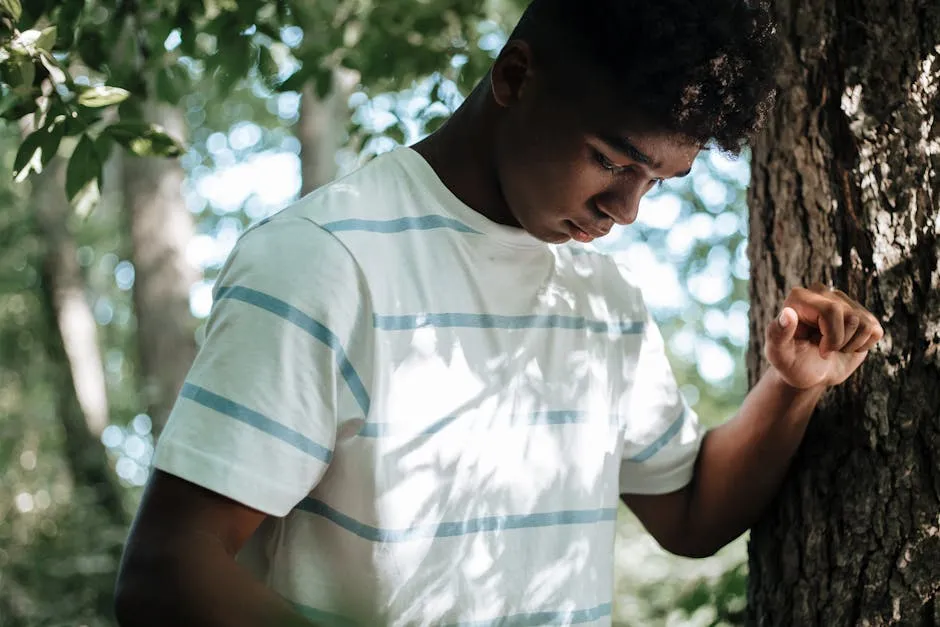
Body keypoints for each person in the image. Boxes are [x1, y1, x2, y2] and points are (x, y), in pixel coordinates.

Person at [114, 1, 884, 625]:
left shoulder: (602, 299)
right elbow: (169, 572)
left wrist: (792, 386)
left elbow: (688, 515)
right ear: (516, 75)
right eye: (613, 161)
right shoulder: (327, 259)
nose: (626, 209)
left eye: (657, 180)